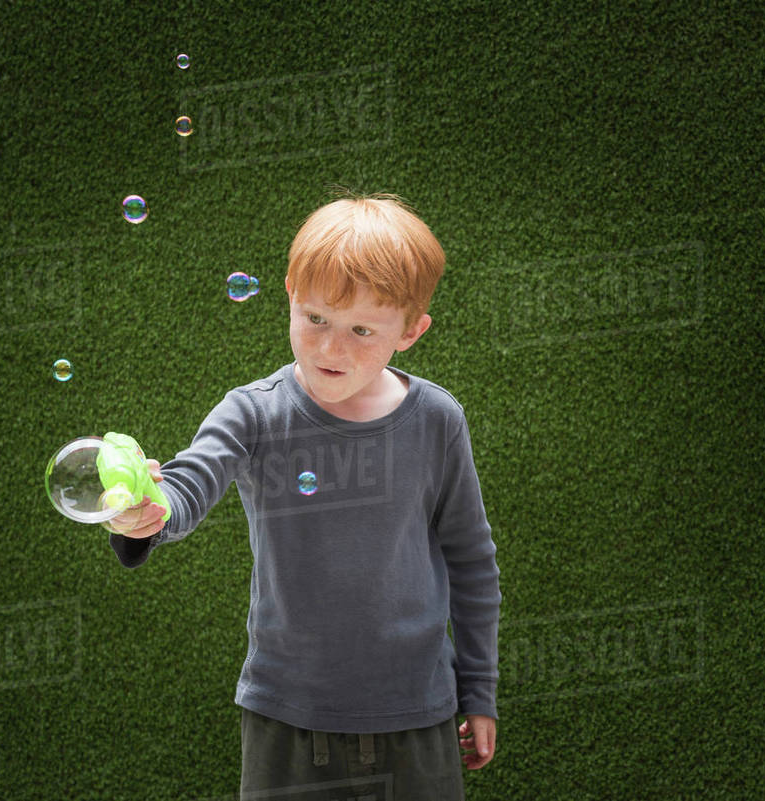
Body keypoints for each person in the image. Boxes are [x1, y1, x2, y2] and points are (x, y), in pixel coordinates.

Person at [105, 190, 500, 800]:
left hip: (416, 713)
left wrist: (479, 689)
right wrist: (150, 514)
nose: (329, 347)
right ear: (290, 291)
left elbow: (472, 562)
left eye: (361, 329)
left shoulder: (438, 420)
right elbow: (187, 483)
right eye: (315, 318)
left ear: (411, 331)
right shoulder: (252, 413)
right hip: (285, 715)